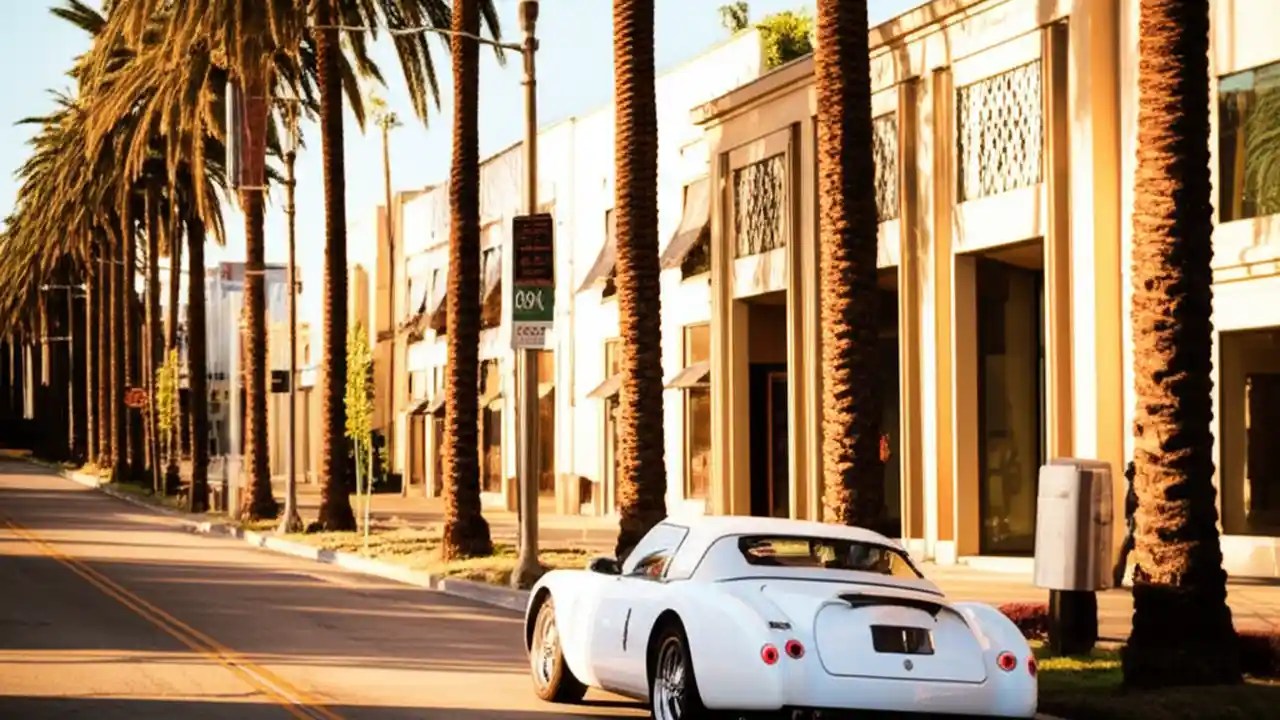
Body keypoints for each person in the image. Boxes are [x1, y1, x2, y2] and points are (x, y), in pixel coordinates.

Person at [1112, 461, 1137, 587]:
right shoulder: (1133, 485)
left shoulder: (1137, 486)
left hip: (1138, 524)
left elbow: (1132, 505)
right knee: (1125, 550)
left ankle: (1118, 577)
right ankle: (1118, 577)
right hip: (1134, 522)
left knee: (1125, 549)